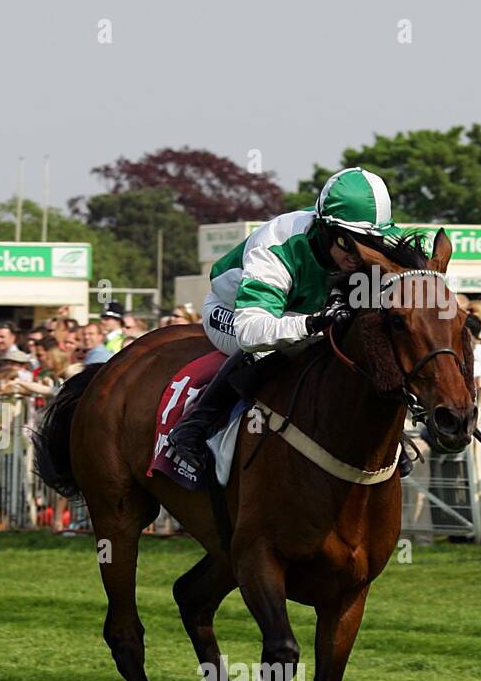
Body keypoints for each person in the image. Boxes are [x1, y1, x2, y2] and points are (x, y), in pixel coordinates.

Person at [167, 167, 409, 478]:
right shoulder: (277, 244)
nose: (360, 254)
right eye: (350, 242)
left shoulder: (371, 243)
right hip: (231, 312)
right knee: (272, 347)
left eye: (370, 242)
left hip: (298, 311)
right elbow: (251, 333)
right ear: (325, 229)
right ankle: (194, 426)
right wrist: (312, 324)